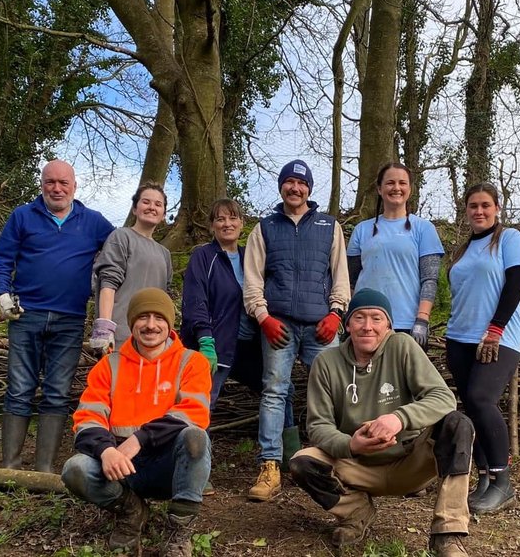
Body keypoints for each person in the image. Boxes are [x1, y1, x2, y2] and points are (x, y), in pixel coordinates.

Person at [290, 289, 472, 557]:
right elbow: (318, 426)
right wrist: (351, 444)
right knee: (301, 463)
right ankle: (357, 513)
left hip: (410, 462)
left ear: (388, 324)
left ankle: (448, 533)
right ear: (347, 324)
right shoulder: (326, 363)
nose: (367, 327)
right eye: (359, 318)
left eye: (376, 318)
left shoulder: (402, 346)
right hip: (356, 466)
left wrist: (399, 418)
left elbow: (443, 398)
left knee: (458, 424)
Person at [62, 288, 212, 556]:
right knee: (75, 469)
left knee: (196, 437)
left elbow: (193, 412)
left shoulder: (192, 362)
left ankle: (179, 530)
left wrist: (140, 438)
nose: (151, 325)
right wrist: (105, 450)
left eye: (159, 318)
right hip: (120, 469)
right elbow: (88, 417)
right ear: (131, 323)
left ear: (169, 323)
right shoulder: (109, 365)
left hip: (169, 467)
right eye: (143, 317)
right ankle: (131, 511)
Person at [0, 160, 115, 472]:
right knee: (19, 388)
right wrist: (1, 293)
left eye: (63, 183)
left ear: (75, 186)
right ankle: (10, 467)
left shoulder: (93, 221)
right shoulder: (22, 216)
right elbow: (1, 258)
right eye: (50, 182)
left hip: (69, 319)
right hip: (25, 315)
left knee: (57, 392)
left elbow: (121, 250)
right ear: (41, 184)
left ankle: (44, 469)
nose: (57, 188)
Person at [243, 159, 351, 502]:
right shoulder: (264, 228)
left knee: (334, 392)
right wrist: (263, 317)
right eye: (289, 182)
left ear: (309, 189)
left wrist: (336, 314)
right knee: (274, 391)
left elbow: (341, 276)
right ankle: (271, 466)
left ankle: (335, 462)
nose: (295, 188)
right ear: (281, 187)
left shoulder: (329, 226)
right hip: (280, 326)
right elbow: (253, 281)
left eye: (301, 183)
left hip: (321, 326)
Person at [444, 183, 520, 514]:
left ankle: (502, 483)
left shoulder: (509, 239)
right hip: (460, 337)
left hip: (499, 337)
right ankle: (483, 478)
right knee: (472, 405)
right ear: (465, 210)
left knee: (482, 398)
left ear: (497, 208)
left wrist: (495, 329)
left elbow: (516, 284)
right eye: (472, 206)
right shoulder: (463, 250)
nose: (478, 211)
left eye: (485, 205)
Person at [347, 162, 444, 350]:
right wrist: (351, 317)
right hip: (367, 325)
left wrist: (422, 320)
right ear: (379, 188)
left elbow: (430, 280)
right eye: (390, 183)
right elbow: (351, 281)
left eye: (402, 183)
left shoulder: (424, 229)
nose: (396, 188)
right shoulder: (361, 229)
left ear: (410, 189)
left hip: (406, 323)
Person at [180, 198, 262, 407]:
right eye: (220, 219)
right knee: (202, 401)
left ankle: (285, 440)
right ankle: (195, 440)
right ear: (211, 226)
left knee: (279, 390)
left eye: (233, 218)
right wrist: (205, 340)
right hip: (216, 343)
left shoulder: (251, 257)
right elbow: (195, 299)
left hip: (249, 346)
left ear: (242, 223)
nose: (227, 224)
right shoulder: (204, 256)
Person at [90, 183, 173, 353]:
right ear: (135, 209)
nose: (152, 207)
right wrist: (105, 328)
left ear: (164, 214)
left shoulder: (164, 254)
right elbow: (108, 282)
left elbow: (164, 298)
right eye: (146, 202)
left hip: (152, 340)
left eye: (158, 204)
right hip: (119, 338)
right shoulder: (121, 237)